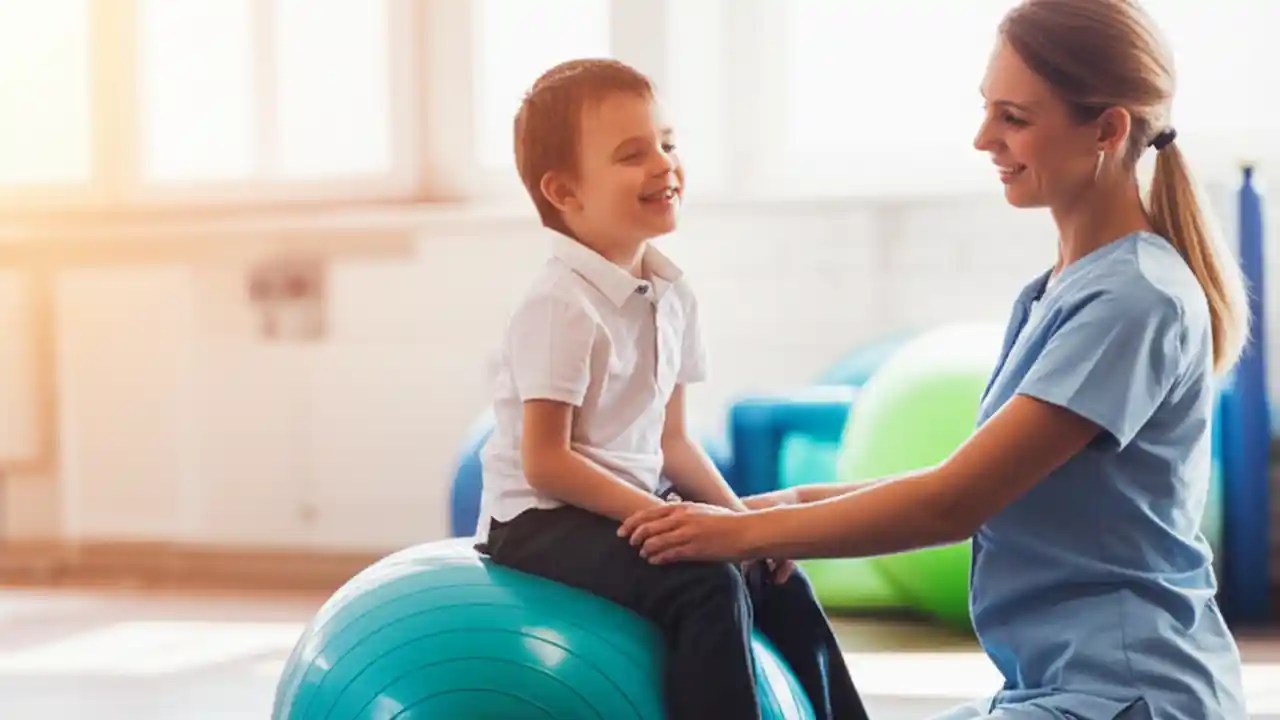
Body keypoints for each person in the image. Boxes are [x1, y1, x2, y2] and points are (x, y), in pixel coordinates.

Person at [620, 1, 1250, 717]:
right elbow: (969, 481)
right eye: (987, 109)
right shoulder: (1059, 290)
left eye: (1014, 118)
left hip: (1131, 693)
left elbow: (955, 503)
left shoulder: (1133, 299)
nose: (984, 138)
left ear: (1106, 130)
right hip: (1058, 685)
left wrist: (743, 533)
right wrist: (772, 508)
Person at [474, 58, 868, 720]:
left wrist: (749, 530)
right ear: (565, 191)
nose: (664, 164)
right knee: (706, 582)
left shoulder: (672, 294)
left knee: (778, 580)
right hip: (539, 520)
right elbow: (546, 461)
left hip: (628, 505)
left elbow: (673, 441)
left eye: (667, 143)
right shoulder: (560, 303)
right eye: (633, 155)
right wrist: (668, 522)